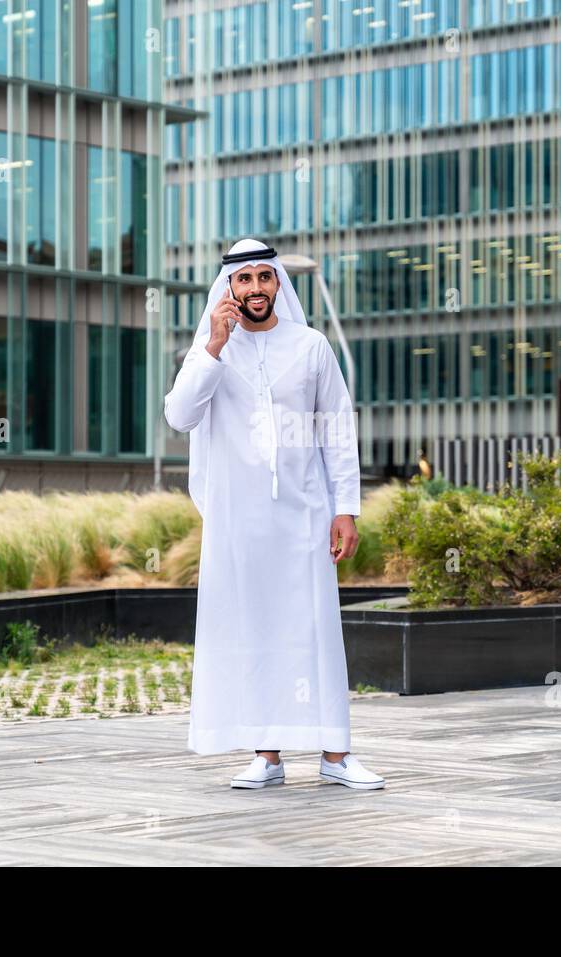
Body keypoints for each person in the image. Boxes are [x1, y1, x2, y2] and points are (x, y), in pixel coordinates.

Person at [163, 238, 386, 791]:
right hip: (238, 522)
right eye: (245, 279)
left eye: (266, 277)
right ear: (230, 288)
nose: (256, 288)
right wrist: (214, 345)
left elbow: (337, 430)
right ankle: (268, 755)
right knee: (254, 632)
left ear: (278, 285)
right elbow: (179, 415)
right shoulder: (212, 349)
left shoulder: (310, 346)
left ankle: (336, 755)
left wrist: (346, 509)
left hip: (305, 515)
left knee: (314, 630)